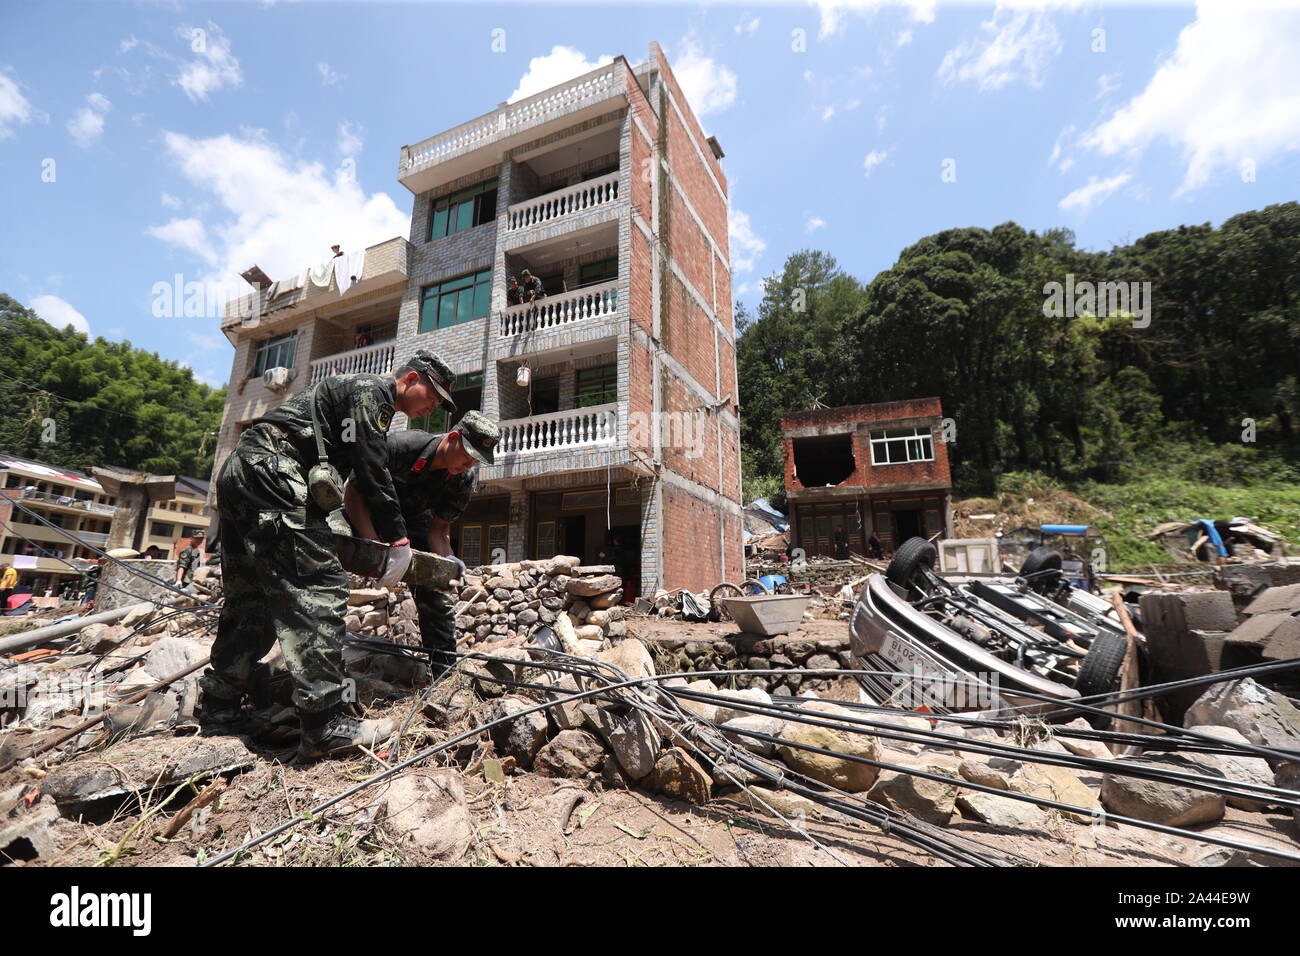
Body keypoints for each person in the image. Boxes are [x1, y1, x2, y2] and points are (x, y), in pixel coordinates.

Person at [198, 349, 457, 761]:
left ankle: (220, 706)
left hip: (243, 472)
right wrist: (399, 541)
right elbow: (372, 471)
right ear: (411, 378)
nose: (434, 407)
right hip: (273, 470)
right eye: (434, 395)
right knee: (319, 587)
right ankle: (324, 724)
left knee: (252, 595)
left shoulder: (360, 398)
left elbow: (355, 473)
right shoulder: (373, 394)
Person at [341, 411, 498, 678]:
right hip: (362, 513)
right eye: (467, 454)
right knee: (324, 552)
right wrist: (375, 545)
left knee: (438, 590)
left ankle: (444, 676)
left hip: (412, 526)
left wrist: (447, 561)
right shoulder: (402, 446)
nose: (469, 463)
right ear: (452, 438)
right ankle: (320, 654)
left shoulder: (462, 479)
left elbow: (439, 529)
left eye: (476, 460)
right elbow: (353, 493)